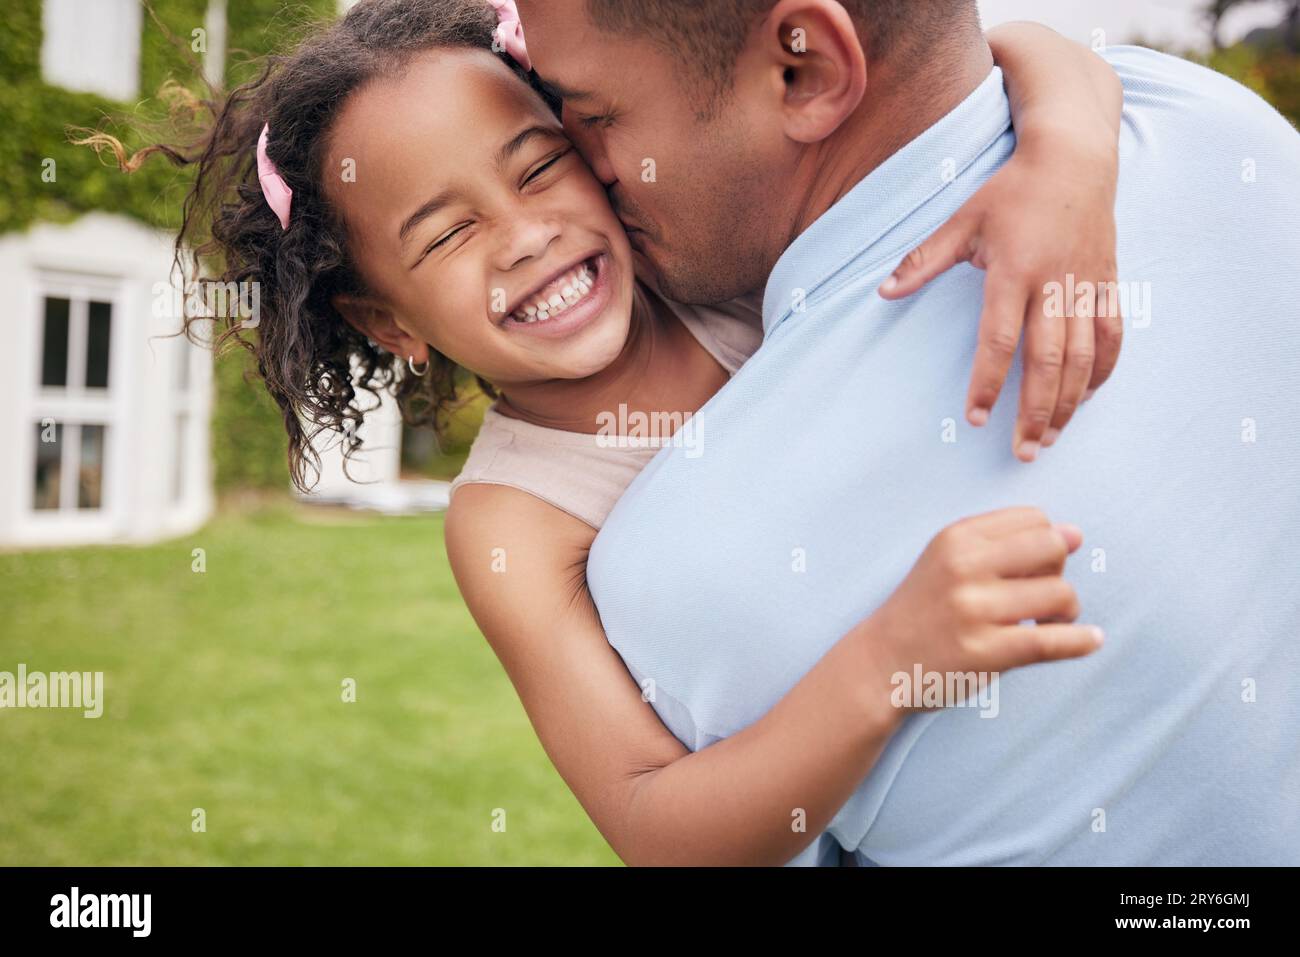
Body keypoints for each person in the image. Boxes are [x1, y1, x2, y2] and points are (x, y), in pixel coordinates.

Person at [86, 0, 1125, 866]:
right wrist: (889, 664)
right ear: (390, 322)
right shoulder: (512, 519)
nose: (526, 236)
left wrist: (1069, 161)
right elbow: (648, 820)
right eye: (446, 232)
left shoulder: (727, 266)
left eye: (540, 167)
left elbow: (1000, 44)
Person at [509, 0, 1300, 864]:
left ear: (804, 70)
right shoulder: (1219, 128)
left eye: (591, 114)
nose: (579, 170)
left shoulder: (686, 560)